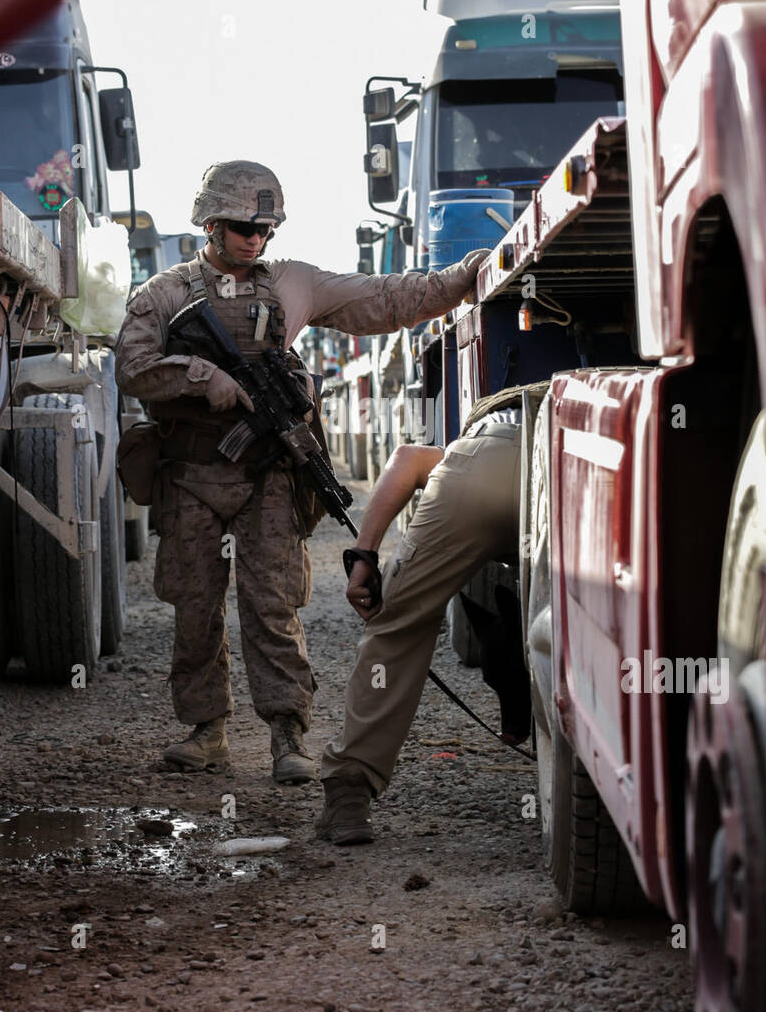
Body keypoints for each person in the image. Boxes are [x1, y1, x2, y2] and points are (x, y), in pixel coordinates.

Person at [114, 159, 489, 784]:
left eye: (266, 229)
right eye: (243, 227)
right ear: (211, 224)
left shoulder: (294, 282)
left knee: (273, 604)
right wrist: (203, 377)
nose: (256, 239)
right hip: (191, 474)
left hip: (268, 474)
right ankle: (206, 731)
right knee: (195, 608)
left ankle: (288, 733)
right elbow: (132, 367)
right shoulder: (166, 293)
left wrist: (457, 280)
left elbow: (382, 299)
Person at [316, 385, 542, 843]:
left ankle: (349, 792)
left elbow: (407, 458)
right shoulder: (570, 399)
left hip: (481, 472)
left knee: (396, 628)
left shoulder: (479, 431)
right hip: (567, 464)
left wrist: (364, 556)